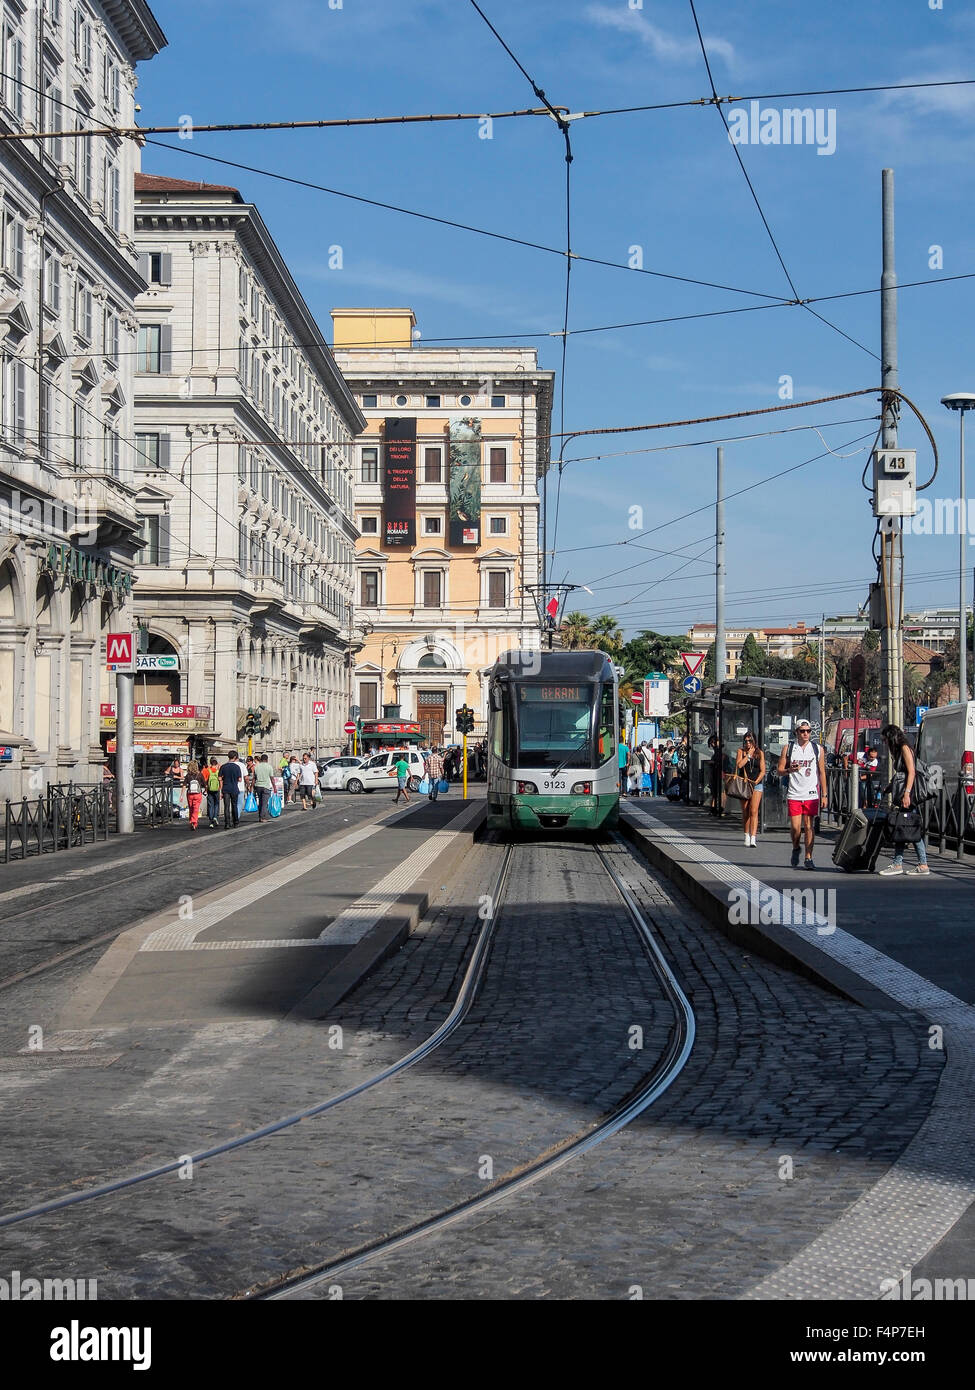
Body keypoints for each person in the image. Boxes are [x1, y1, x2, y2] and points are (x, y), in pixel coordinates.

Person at [878, 725, 931, 877]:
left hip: (909, 793)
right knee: (905, 827)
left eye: (885, 739)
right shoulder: (898, 750)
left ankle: (915, 864)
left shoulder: (905, 748)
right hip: (904, 792)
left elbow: (911, 772)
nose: (884, 743)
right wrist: (890, 786)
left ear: (891, 737)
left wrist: (907, 794)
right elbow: (901, 773)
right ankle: (907, 863)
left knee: (908, 827)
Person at [777, 719, 827, 869]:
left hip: (811, 793)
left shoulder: (818, 749)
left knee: (809, 826)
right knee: (796, 828)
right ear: (796, 732)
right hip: (794, 793)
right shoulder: (789, 748)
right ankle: (796, 847)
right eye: (802, 731)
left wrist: (824, 794)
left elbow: (822, 772)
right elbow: (779, 770)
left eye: (808, 731)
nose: (806, 734)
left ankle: (808, 857)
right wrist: (789, 770)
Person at [734, 734, 766, 847]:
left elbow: (763, 770)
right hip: (744, 784)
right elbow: (739, 765)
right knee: (746, 811)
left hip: (756, 784)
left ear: (754, 741)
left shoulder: (760, 753)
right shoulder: (741, 751)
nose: (748, 743)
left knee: (754, 811)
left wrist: (757, 781)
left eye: (750, 741)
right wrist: (748, 755)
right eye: (746, 741)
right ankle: (746, 835)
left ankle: (753, 837)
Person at [219, 751, 243, 829]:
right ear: (235, 757)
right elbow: (239, 779)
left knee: (226, 806)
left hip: (226, 788)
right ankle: (236, 822)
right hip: (234, 788)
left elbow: (219, 778)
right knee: (234, 805)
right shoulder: (237, 767)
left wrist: (221, 789)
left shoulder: (223, 766)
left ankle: (227, 823)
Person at [183, 760, 204, 831]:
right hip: (198, 794)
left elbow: (184, 785)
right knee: (196, 808)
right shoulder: (200, 774)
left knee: (191, 808)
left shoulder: (188, 775)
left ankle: (191, 821)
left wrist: (181, 795)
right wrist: (206, 790)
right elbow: (204, 784)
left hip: (190, 794)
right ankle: (194, 822)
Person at [252, 752, 273, 822]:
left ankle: (260, 816)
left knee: (260, 802)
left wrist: (251, 786)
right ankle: (262, 817)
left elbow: (254, 778)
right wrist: (274, 787)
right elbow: (272, 778)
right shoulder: (269, 766)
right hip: (266, 786)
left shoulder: (256, 766)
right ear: (267, 759)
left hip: (258, 786)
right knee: (264, 803)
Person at [204, 757, 221, 828]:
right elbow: (220, 780)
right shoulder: (218, 771)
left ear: (210, 763)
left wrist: (205, 789)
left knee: (211, 805)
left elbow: (205, 781)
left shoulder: (207, 770)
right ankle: (215, 817)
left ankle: (211, 822)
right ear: (216, 763)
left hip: (209, 789)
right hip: (217, 789)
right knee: (216, 804)